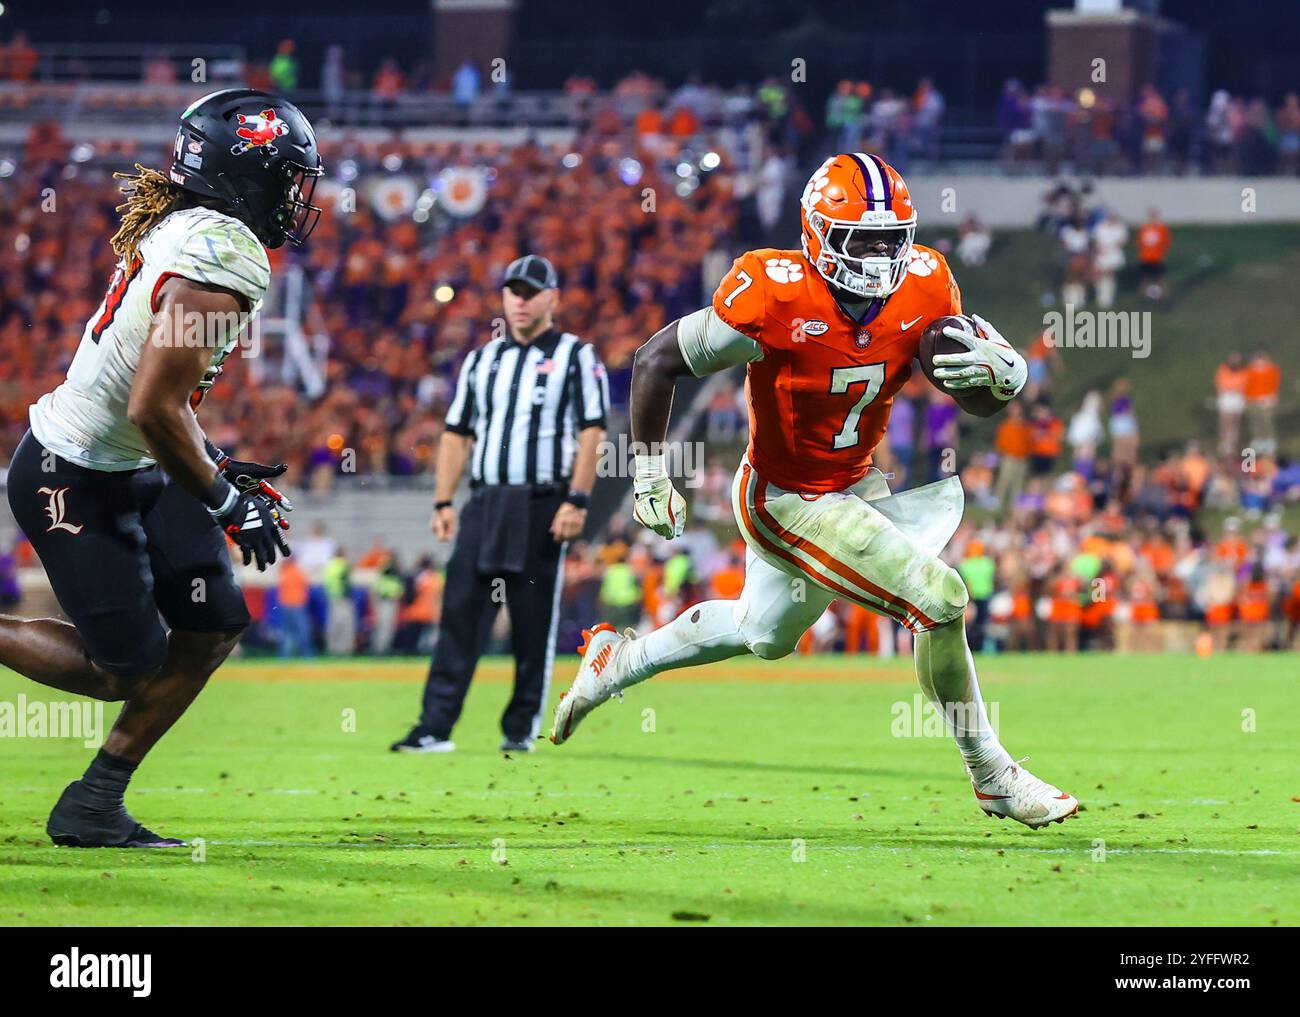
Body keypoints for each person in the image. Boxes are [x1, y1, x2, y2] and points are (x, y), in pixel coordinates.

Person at [551, 153, 1078, 829]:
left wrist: (999, 381)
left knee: (761, 632)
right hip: (784, 497)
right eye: (863, 238)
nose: (882, 255)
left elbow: (965, 394)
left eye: (893, 238)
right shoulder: (771, 290)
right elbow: (657, 359)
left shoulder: (925, 284)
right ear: (818, 232)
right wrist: (651, 470)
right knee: (940, 599)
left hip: (855, 484)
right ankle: (993, 774)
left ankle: (614, 660)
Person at [0, 89, 321, 847]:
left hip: (133, 461)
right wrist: (219, 498)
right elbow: (151, 405)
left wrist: (207, 462)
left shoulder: (186, 225)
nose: (295, 196)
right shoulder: (223, 254)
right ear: (245, 176)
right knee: (127, 667)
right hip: (72, 471)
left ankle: (93, 801)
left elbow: (154, 401)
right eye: (285, 177)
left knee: (213, 623)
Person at [391, 255, 609, 754]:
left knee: (532, 621)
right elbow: (456, 433)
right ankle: (435, 727)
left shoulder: (577, 356)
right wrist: (444, 499)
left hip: (542, 503)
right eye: (513, 291)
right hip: (486, 501)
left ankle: (520, 728)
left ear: (552, 297)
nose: (520, 300)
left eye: (531, 291)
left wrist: (577, 499)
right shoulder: (481, 360)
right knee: (459, 613)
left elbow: (592, 430)